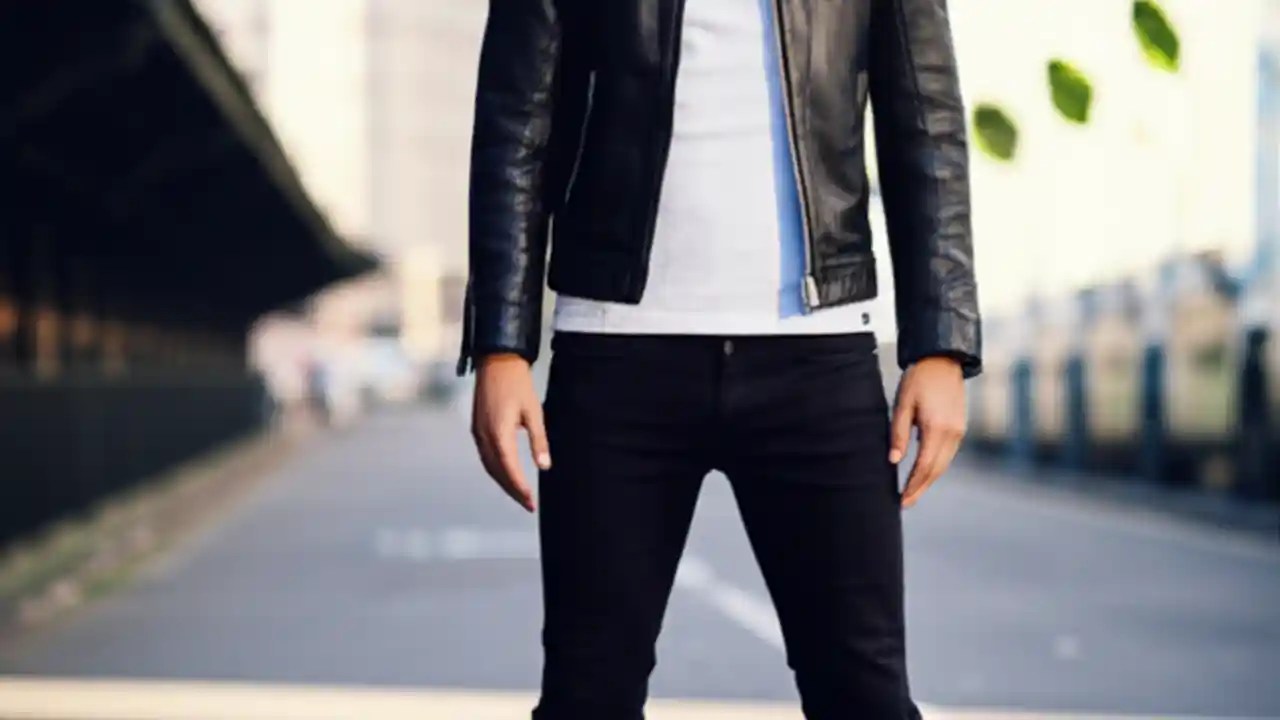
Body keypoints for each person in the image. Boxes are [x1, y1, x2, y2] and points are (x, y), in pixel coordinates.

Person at [458, 0, 980, 716]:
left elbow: (927, 121)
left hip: (817, 356)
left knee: (865, 694)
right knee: (588, 695)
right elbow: (516, 120)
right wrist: (500, 344)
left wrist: (942, 341)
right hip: (616, 353)